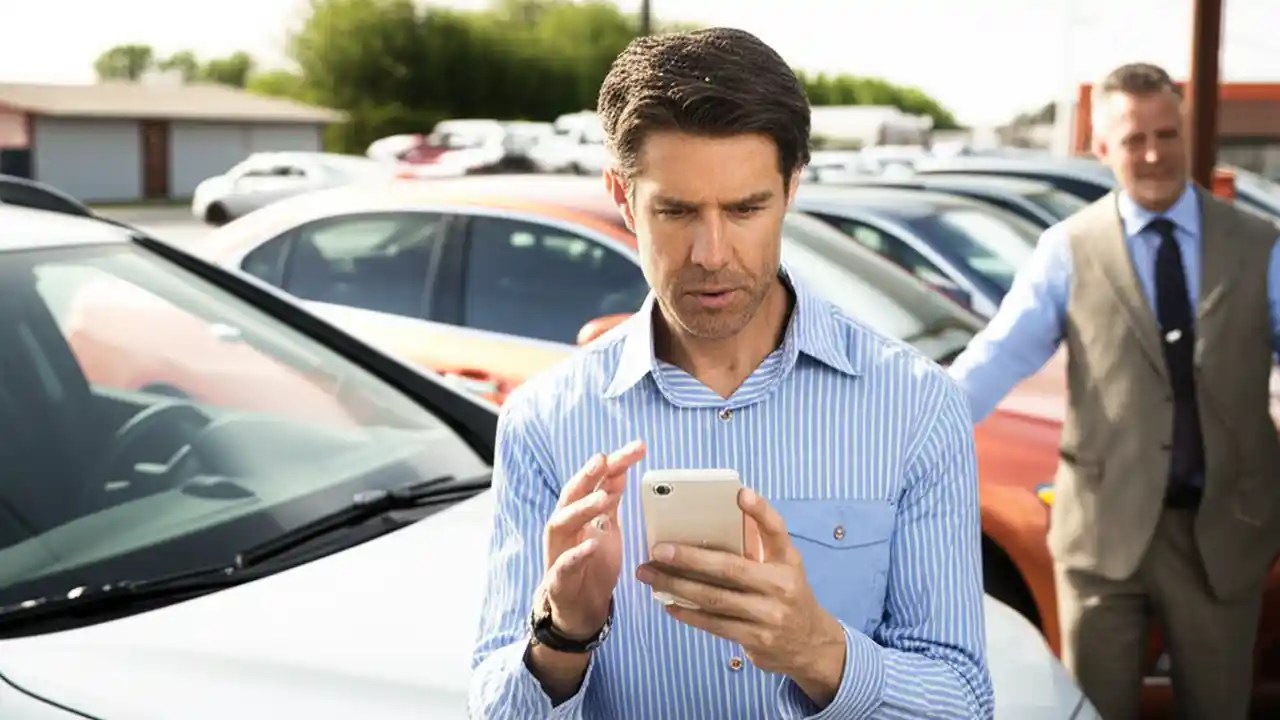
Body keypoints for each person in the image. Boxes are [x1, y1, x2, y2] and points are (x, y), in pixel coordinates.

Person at [467, 27, 994, 720]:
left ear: (791, 188)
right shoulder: (545, 421)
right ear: (623, 198)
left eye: (746, 209)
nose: (712, 253)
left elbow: (965, 701)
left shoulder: (917, 405)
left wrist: (817, 651)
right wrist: (563, 631)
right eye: (677, 211)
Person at [947, 61, 1280, 720]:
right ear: (1101, 148)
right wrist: (906, 433)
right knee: (1093, 711)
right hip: (1100, 535)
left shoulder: (1260, 245)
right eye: (1133, 139)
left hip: (1223, 532)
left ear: (1185, 133)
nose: (1154, 153)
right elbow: (994, 359)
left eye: (1166, 133)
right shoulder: (1065, 249)